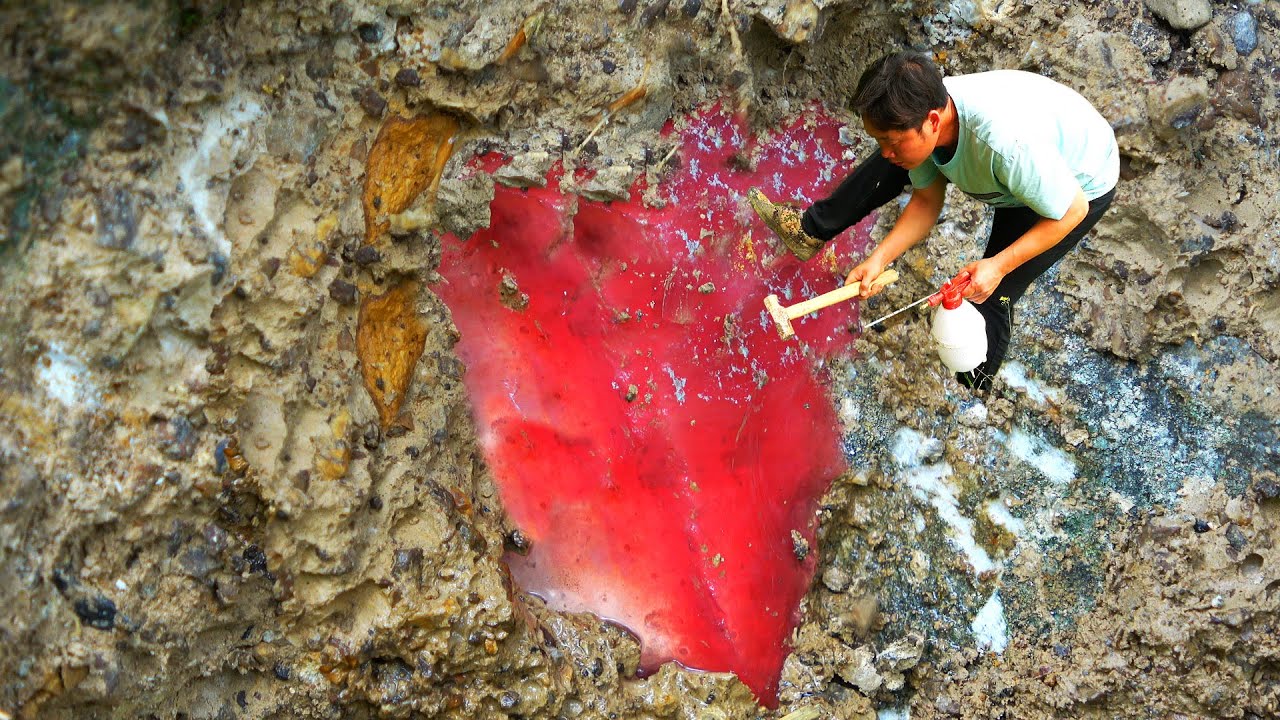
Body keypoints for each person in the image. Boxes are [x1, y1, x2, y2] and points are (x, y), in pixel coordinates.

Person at [749, 51, 1118, 391]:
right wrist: (879, 259)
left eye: (892, 141)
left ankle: (975, 381)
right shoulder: (925, 113)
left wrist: (999, 265)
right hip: (1029, 168)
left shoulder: (1005, 145)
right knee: (893, 164)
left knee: (987, 292)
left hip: (1079, 185)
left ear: (932, 122)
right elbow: (926, 201)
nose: (885, 150)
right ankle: (811, 230)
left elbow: (1073, 211)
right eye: (878, 140)